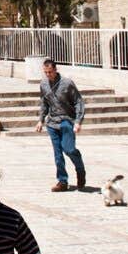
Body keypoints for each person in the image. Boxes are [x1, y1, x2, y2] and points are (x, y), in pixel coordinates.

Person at [36, 57, 86, 191]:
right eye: (46, 72)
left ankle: (80, 170)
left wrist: (78, 121)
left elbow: (78, 102)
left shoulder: (67, 83)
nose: (48, 75)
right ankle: (62, 181)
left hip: (66, 121)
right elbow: (44, 103)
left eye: (50, 72)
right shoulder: (43, 84)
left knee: (69, 149)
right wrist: (41, 120)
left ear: (55, 70)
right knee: (58, 154)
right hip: (52, 122)